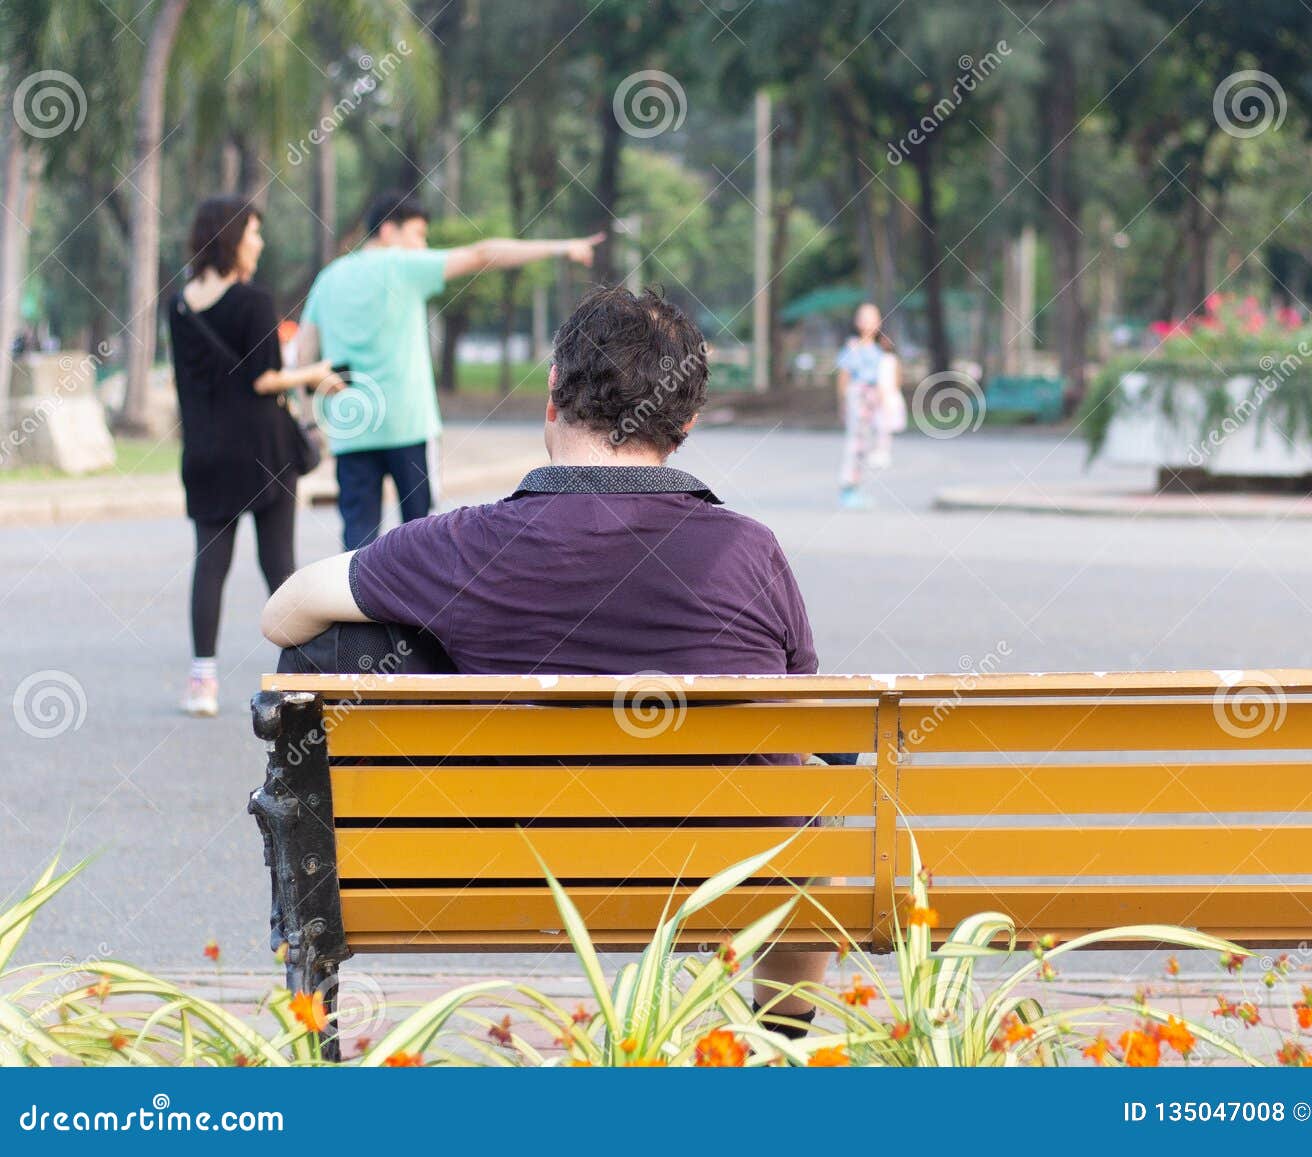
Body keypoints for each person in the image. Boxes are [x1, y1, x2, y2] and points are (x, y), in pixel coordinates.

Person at [262, 285, 830, 1035]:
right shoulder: (750, 550)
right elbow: (818, 722)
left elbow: (284, 612)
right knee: (815, 809)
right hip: (725, 873)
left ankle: (319, 1024)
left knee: (336, 644)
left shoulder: (459, 545)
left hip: (507, 870)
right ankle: (779, 1045)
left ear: (553, 396)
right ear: (687, 420)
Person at [295, 190, 604, 550]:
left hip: (351, 430)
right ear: (388, 232)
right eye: (418, 234)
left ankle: (358, 604)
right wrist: (561, 248)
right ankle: (410, 607)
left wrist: (310, 420)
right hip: (407, 426)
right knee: (421, 538)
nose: (423, 245)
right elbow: (483, 254)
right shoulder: (403, 266)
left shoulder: (329, 277)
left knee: (357, 539)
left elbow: (304, 355)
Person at [168, 195, 345, 718]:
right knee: (280, 566)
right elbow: (263, 378)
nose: (259, 243)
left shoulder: (178, 304)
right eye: (253, 234)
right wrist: (314, 375)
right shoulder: (254, 300)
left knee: (211, 565)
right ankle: (301, 679)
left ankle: (202, 681)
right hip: (264, 451)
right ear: (230, 239)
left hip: (205, 453)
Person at [834, 301, 898, 509]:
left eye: (872, 317)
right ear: (857, 321)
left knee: (868, 442)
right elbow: (843, 377)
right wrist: (843, 402)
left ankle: (856, 485)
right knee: (856, 442)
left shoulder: (880, 349)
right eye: (864, 317)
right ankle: (848, 486)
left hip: (874, 398)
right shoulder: (853, 347)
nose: (868, 322)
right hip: (858, 396)